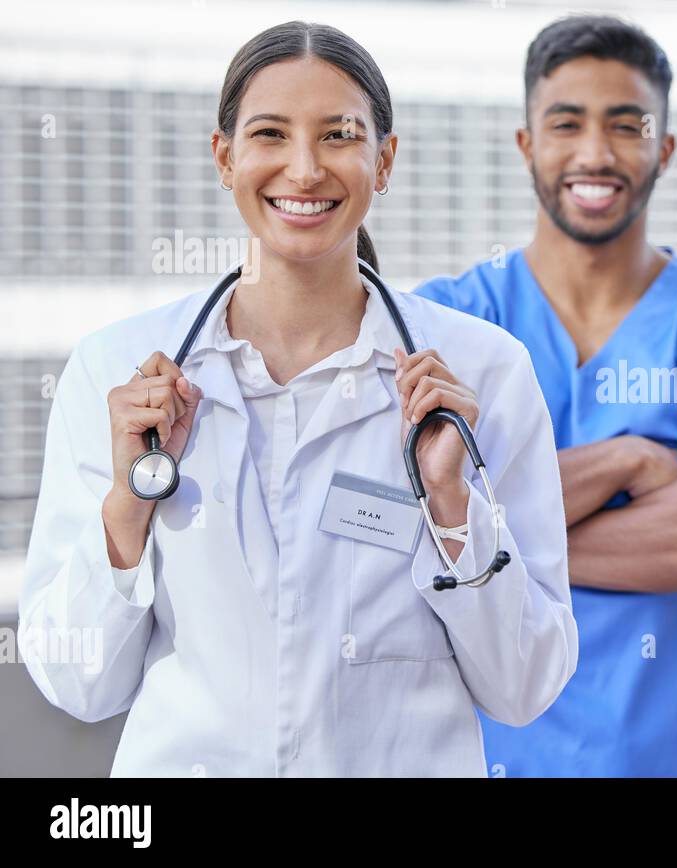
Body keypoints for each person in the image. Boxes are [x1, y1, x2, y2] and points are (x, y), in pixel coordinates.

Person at [19, 20, 577, 776]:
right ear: (225, 158)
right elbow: (76, 680)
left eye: (340, 136)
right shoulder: (116, 373)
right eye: (271, 134)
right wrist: (128, 503)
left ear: (384, 161)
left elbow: (526, 687)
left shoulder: (484, 373)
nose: (305, 169)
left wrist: (452, 508)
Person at [416, 15, 677, 777]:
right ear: (527, 145)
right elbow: (394, 520)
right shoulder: (449, 322)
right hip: (498, 757)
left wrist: (486, 545)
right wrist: (624, 460)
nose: (595, 153)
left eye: (626, 125)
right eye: (566, 123)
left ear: (664, 149)